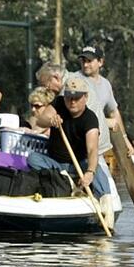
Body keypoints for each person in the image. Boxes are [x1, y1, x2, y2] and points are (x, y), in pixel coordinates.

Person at [27, 78, 113, 206]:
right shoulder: (59, 103)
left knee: (96, 168)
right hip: (55, 163)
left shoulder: (90, 119)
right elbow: (41, 121)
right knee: (33, 158)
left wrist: (90, 172)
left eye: (77, 98)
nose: (72, 102)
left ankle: (105, 199)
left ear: (85, 97)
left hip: (78, 164)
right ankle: (67, 182)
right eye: (69, 97)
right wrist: (51, 120)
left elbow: (92, 150)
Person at [76, 45, 134, 160]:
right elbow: (76, 113)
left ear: (100, 62)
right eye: (83, 61)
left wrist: (125, 139)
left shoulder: (106, 84)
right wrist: (105, 122)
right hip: (77, 142)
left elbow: (114, 112)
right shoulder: (75, 80)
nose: (85, 65)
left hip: (96, 145)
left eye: (89, 61)